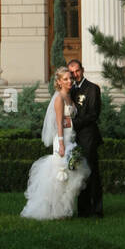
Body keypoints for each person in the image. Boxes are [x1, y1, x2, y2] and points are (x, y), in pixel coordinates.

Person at [21, 67, 90, 220]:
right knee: (60, 174)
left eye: (70, 78)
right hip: (62, 139)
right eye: (65, 79)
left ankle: (65, 209)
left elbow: (70, 119)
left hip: (71, 137)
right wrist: (61, 144)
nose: (69, 81)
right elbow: (58, 123)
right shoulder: (59, 98)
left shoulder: (69, 96)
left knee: (70, 174)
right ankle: (54, 211)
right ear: (59, 82)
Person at [67, 58, 104, 217]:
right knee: (78, 173)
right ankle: (82, 209)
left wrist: (72, 124)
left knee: (91, 173)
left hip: (88, 136)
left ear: (83, 70)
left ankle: (96, 210)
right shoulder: (69, 90)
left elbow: (93, 115)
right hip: (73, 138)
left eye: (77, 71)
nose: (75, 74)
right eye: (72, 72)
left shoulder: (93, 89)